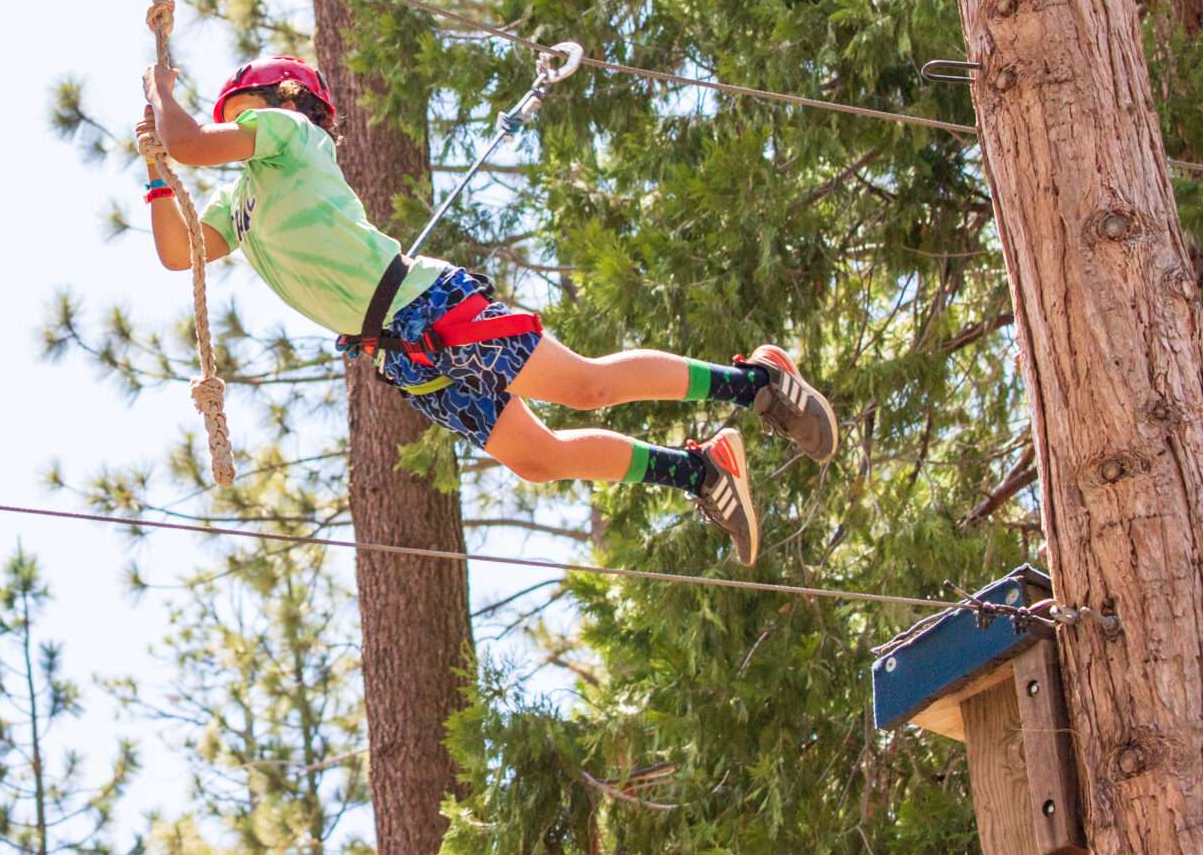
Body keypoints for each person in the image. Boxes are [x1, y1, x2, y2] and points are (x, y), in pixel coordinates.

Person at [138, 57, 841, 566]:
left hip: (424, 306)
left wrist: (163, 96)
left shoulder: (290, 132)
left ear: (283, 98)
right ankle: (701, 471)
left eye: (241, 113)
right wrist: (155, 170)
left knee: (585, 385)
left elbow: (191, 143)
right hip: (403, 355)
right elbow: (178, 252)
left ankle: (757, 383)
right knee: (537, 460)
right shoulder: (241, 201)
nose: (236, 129)